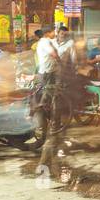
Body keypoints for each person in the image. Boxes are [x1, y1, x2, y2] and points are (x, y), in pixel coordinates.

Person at [33, 24, 76, 180]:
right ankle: (46, 168)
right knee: (54, 135)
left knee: (54, 136)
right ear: (50, 33)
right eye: (55, 31)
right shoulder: (47, 43)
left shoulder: (47, 43)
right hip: (54, 119)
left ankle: (47, 167)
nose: (56, 33)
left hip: (53, 115)